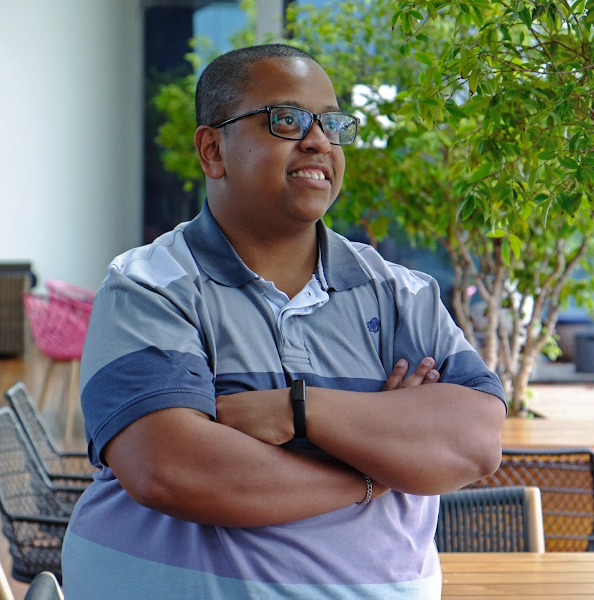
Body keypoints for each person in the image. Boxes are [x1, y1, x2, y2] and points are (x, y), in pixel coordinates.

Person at [61, 43, 506, 599]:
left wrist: (296, 409)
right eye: (288, 119)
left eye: (331, 123)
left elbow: (475, 445)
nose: (319, 139)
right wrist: (380, 470)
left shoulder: (400, 293)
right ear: (213, 150)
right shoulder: (150, 287)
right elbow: (171, 469)